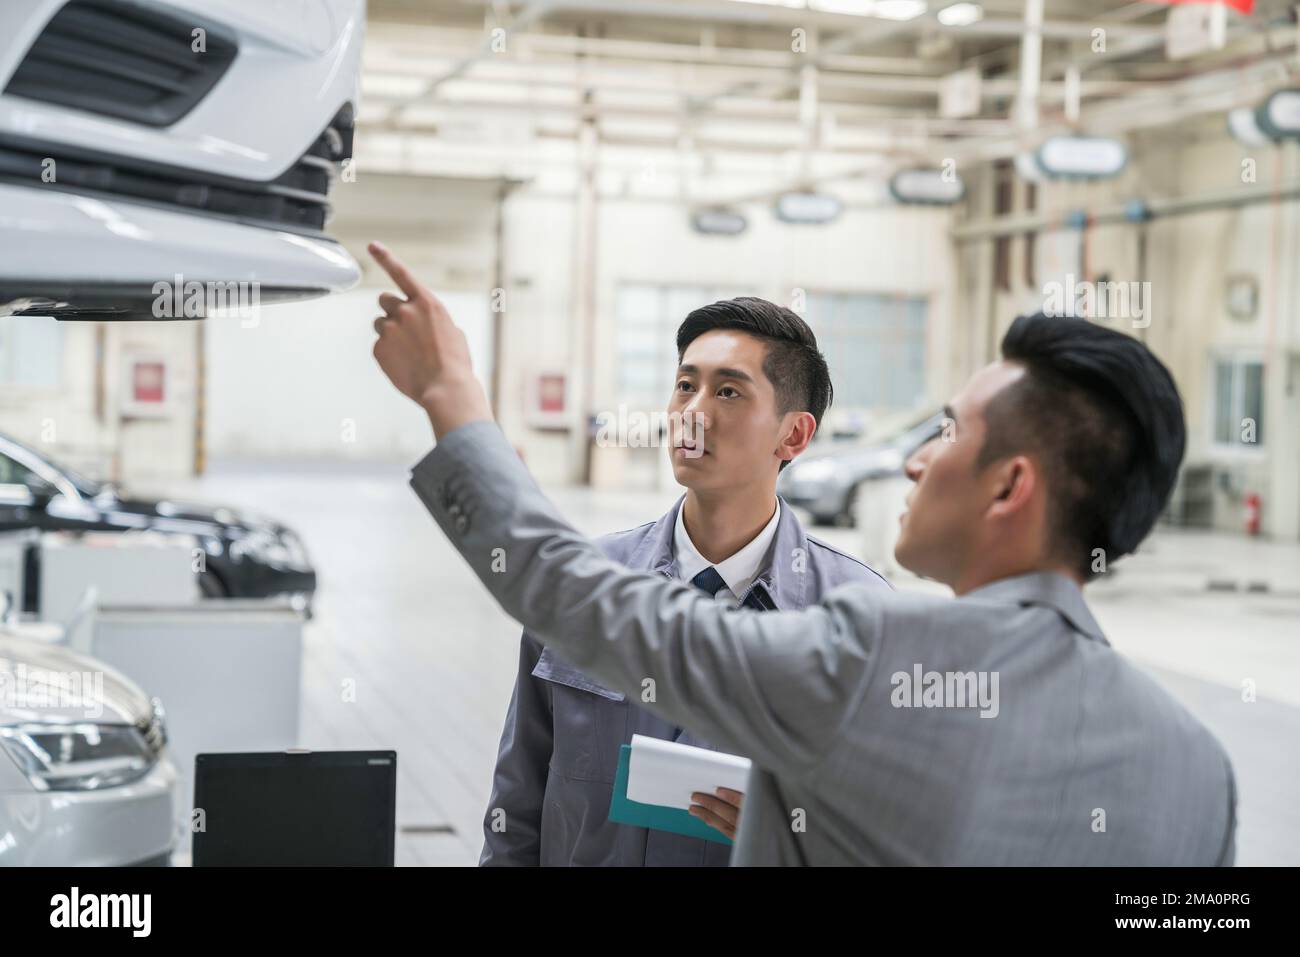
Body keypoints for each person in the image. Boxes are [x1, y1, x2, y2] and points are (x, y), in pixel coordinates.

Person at [368, 242, 1236, 866]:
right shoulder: (1199, 768)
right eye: (684, 383)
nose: (912, 459)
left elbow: (570, 593)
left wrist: (452, 397)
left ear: (1010, 487)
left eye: (947, 433)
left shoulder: (868, 645)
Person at [479, 297, 891, 866]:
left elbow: (887, 837)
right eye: (684, 386)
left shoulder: (863, 617)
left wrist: (797, 841)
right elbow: (517, 799)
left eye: (728, 391)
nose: (692, 412)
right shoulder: (584, 585)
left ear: (793, 436)